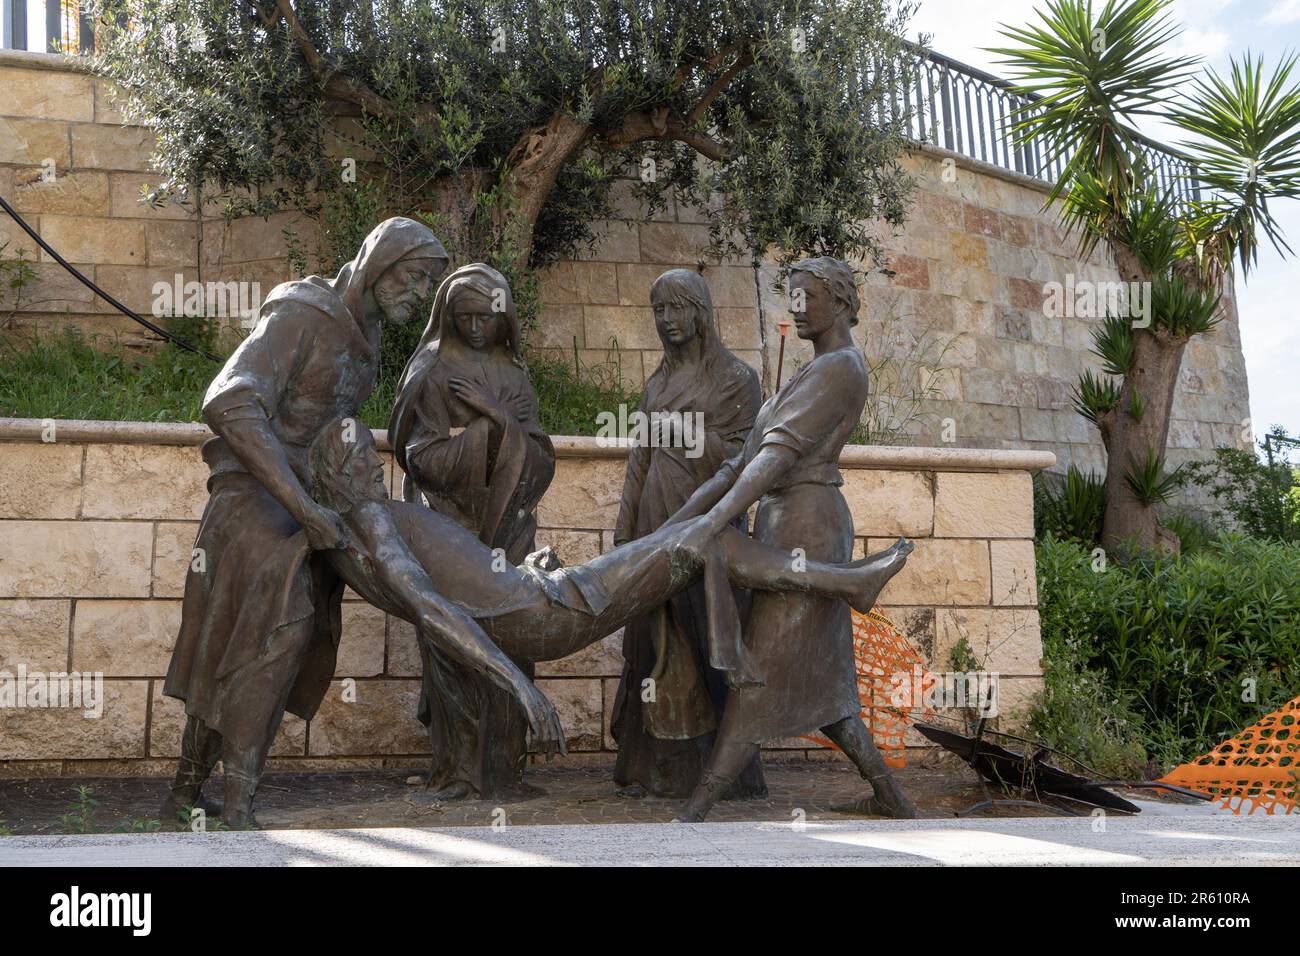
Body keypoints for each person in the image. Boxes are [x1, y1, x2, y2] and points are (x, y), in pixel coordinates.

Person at [302, 418, 914, 816]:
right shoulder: (373, 527)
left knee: (693, 537)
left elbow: (450, 586)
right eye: (357, 457)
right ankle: (846, 581)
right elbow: (432, 611)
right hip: (552, 610)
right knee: (701, 540)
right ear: (335, 475)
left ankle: (840, 576)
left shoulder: (361, 526)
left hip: (548, 592)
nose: (372, 466)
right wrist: (519, 687)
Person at [161, 218, 461, 829]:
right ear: (379, 262)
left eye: (430, 283)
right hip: (256, 504)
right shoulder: (303, 314)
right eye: (413, 276)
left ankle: (184, 795)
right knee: (272, 642)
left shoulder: (368, 335)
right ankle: (235, 807)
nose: (419, 293)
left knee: (254, 648)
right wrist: (303, 508)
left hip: (311, 510)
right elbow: (228, 400)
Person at [665, 256, 918, 823]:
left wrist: (711, 524)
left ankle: (699, 806)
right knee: (824, 677)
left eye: (807, 296)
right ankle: (890, 794)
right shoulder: (811, 372)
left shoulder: (840, 368)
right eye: (792, 297)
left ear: (841, 300)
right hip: (786, 521)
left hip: (809, 521)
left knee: (762, 670)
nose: (797, 308)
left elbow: (774, 458)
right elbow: (739, 466)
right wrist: (684, 517)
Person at [388, 264, 557, 799]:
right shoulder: (434, 369)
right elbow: (419, 454)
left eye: (488, 317)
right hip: (448, 523)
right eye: (466, 317)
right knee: (451, 642)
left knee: (514, 633)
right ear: (449, 316)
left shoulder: (515, 375)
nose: (479, 327)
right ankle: (458, 768)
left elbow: (540, 455)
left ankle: (506, 768)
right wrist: (482, 436)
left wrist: (497, 421)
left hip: (509, 528)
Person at [611, 269, 765, 800]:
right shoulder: (654, 385)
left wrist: (687, 433)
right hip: (653, 523)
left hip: (705, 532)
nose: (668, 321)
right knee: (651, 643)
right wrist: (624, 529)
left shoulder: (736, 380)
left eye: (678, 308)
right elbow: (640, 459)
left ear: (700, 312)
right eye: (659, 311)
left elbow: (747, 461)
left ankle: (726, 772)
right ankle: (652, 768)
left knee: (707, 639)